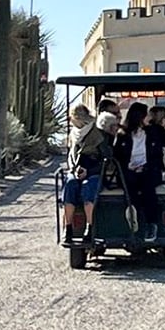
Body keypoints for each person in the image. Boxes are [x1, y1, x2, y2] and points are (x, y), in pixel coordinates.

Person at [113, 102, 165, 243]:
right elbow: (117, 157)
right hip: (130, 171)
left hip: (149, 170)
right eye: (147, 114)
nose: (149, 117)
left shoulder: (153, 133)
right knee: (129, 182)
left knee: (147, 185)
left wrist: (145, 167)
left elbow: (157, 156)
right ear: (140, 117)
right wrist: (130, 167)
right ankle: (133, 214)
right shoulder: (123, 135)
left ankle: (151, 224)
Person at [63, 104, 112, 245]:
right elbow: (71, 155)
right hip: (76, 170)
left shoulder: (98, 135)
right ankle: (68, 228)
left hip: (94, 171)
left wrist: (89, 171)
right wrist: (74, 169)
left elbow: (106, 159)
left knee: (88, 186)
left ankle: (89, 228)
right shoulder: (73, 134)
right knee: (70, 185)